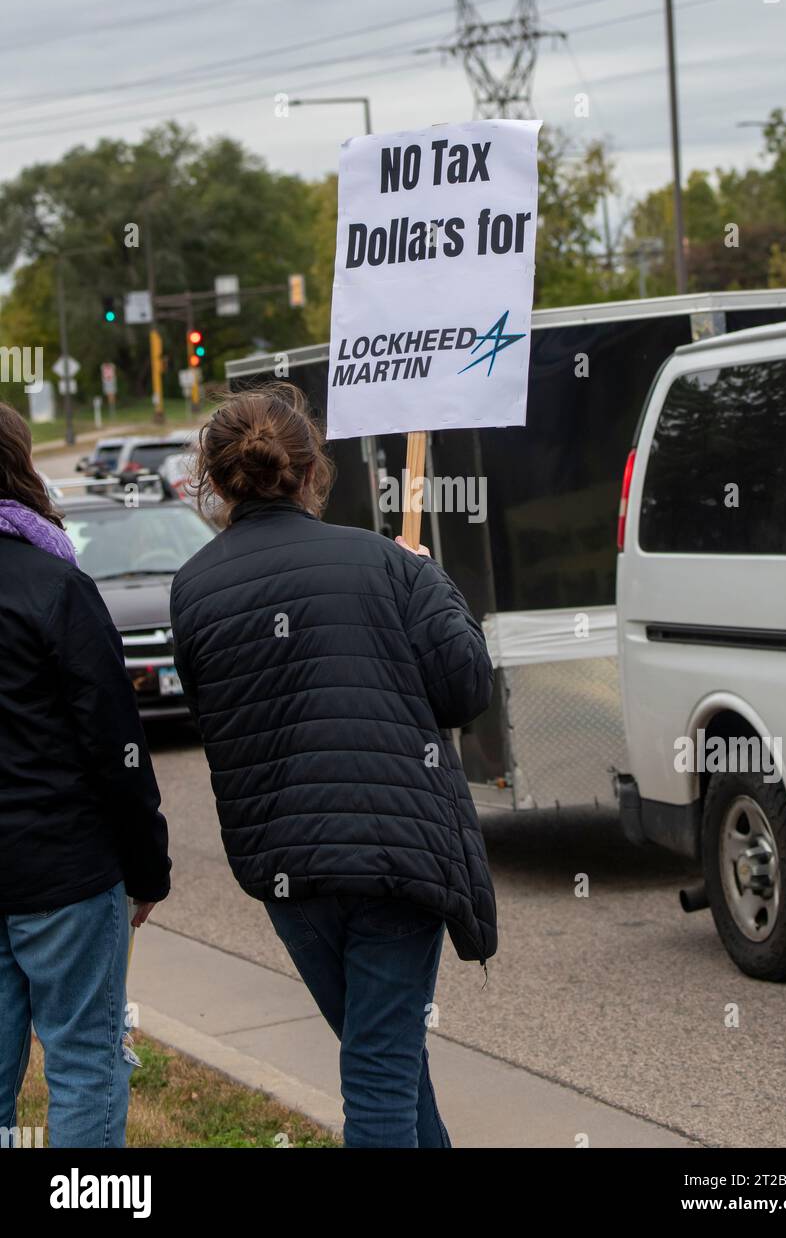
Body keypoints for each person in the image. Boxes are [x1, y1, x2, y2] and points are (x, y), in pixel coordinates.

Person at [170, 385, 496, 1149]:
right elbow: (466, 688)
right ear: (313, 467)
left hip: (289, 864)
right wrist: (431, 580)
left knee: (384, 1060)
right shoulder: (386, 563)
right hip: (397, 853)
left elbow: (212, 712)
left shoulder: (193, 590)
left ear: (215, 481)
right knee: (384, 1073)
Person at [0, 403, 171, 1149]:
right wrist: (147, 868)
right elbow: (116, 744)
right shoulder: (54, 583)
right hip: (64, 871)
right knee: (84, 1064)